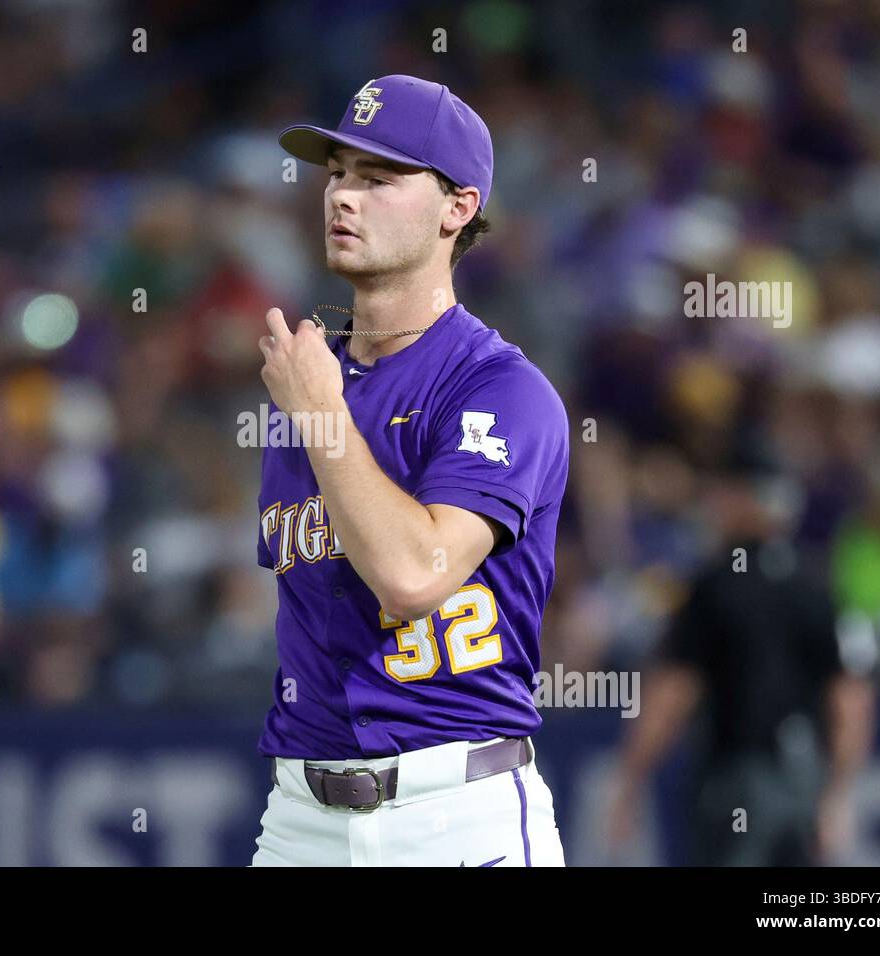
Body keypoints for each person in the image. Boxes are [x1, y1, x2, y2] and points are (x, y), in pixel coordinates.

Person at [249, 75, 570, 866]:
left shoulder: (500, 388)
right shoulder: (309, 375)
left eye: (380, 178)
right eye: (338, 174)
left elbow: (411, 575)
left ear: (458, 208)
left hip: (455, 815)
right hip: (301, 815)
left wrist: (322, 416)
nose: (343, 198)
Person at [605, 447, 873, 865]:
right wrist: (838, 795)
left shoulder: (715, 585)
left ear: (747, 498)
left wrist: (630, 777)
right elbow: (850, 699)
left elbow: (675, 689)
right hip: (804, 782)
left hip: (734, 780)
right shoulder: (817, 584)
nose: (714, 503)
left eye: (725, 492)